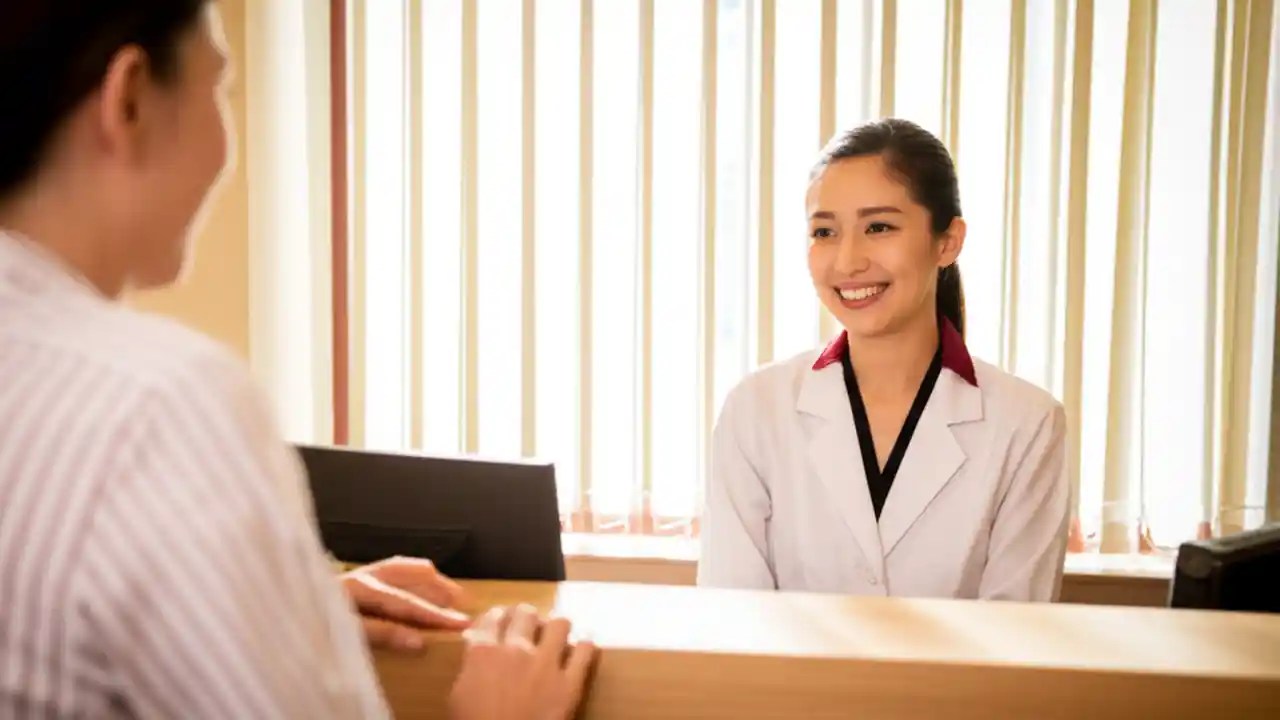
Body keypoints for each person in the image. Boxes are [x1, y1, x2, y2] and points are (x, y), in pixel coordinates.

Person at [0, 1, 592, 717]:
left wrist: (266, 616)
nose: (225, 142)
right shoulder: (157, 406)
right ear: (128, 97)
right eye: (218, 88)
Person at [698, 119, 1069, 601]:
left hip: (957, 682)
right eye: (824, 231)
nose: (848, 261)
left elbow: (1014, 640)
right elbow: (732, 616)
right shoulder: (756, 408)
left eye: (879, 227)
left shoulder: (1027, 422)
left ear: (948, 242)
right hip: (785, 680)